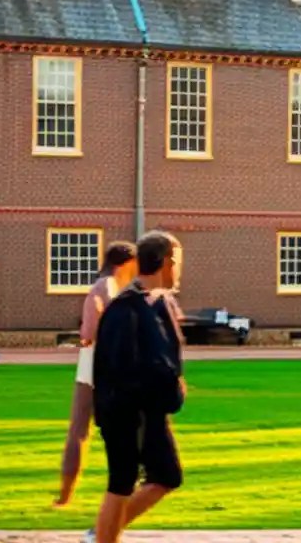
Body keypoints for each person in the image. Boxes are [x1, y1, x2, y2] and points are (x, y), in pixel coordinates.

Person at [91, 231, 186, 543]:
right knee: (121, 481)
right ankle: (102, 537)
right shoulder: (126, 309)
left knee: (166, 475)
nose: (179, 269)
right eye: (177, 261)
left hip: (149, 410)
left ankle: (102, 534)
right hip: (129, 412)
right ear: (165, 262)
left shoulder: (155, 303)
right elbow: (119, 365)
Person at [54, 241, 137, 509]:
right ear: (123, 263)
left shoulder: (104, 288)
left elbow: (88, 334)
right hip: (112, 363)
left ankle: (66, 495)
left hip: (93, 364)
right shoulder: (114, 289)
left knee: (79, 428)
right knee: (116, 428)